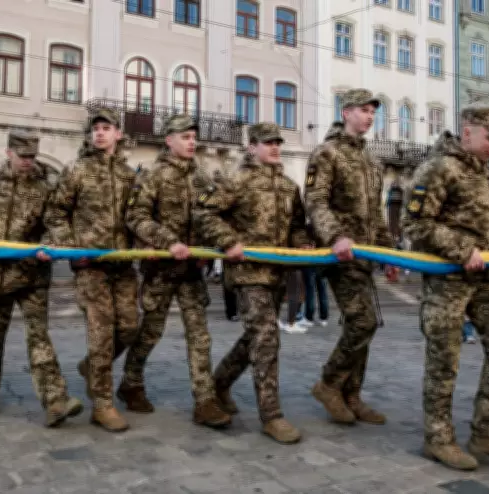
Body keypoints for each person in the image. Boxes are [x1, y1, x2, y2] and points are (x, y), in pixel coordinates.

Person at [402, 105, 489, 473]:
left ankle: (487, 433)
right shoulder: (439, 167)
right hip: (448, 280)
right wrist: (463, 250)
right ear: (467, 132)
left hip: (487, 279)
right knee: (444, 360)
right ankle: (438, 438)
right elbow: (414, 222)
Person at [194, 122, 311, 444]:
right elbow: (204, 214)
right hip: (247, 274)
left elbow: (298, 225)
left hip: (277, 274)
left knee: (254, 338)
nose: (274, 147)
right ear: (252, 147)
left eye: (277, 142)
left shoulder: (289, 187)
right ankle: (271, 415)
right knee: (266, 338)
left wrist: (301, 244)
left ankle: (219, 382)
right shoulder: (237, 180)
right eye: (266, 142)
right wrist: (228, 241)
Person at [0, 132, 82, 427]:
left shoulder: (47, 188)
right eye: (22, 155)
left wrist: (53, 244)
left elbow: (56, 223)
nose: (27, 161)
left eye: (31, 156)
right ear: (8, 153)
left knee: (39, 338)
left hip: (32, 276)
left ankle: (55, 401)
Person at [119, 114, 231, 428]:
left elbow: (213, 213)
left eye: (194, 137)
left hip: (193, 271)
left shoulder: (203, 177)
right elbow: (135, 217)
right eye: (185, 136)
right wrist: (168, 241)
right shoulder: (153, 175)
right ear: (169, 140)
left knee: (200, 337)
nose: (192, 142)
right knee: (150, 333)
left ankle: (205, 401)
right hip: (160, 270)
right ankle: (131, 383)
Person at [305, 88, 397, 426]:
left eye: (373, 112)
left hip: (366, 254)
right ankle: (329, 384)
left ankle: (351, 394)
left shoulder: (372, 160)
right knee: (363, 322)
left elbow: (377, 212)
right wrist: (335, 236)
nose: (369, 116)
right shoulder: (327, 153)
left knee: (364, 325)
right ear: (345, 112)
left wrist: (389, 254)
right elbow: (315, 200)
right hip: (341, 255)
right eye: (363, 110)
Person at [48, 108, 139, 432]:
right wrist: (72, 248)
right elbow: (56, 213)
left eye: (106, 128)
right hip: (90, 267)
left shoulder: (129, 175)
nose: (99, 133)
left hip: (123, 265)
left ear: (118, 134)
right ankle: (102, 404)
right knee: (101, 335)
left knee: (129, 328)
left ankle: (90, 368)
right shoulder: (76, 170)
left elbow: (137, 216)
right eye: (95, 129)